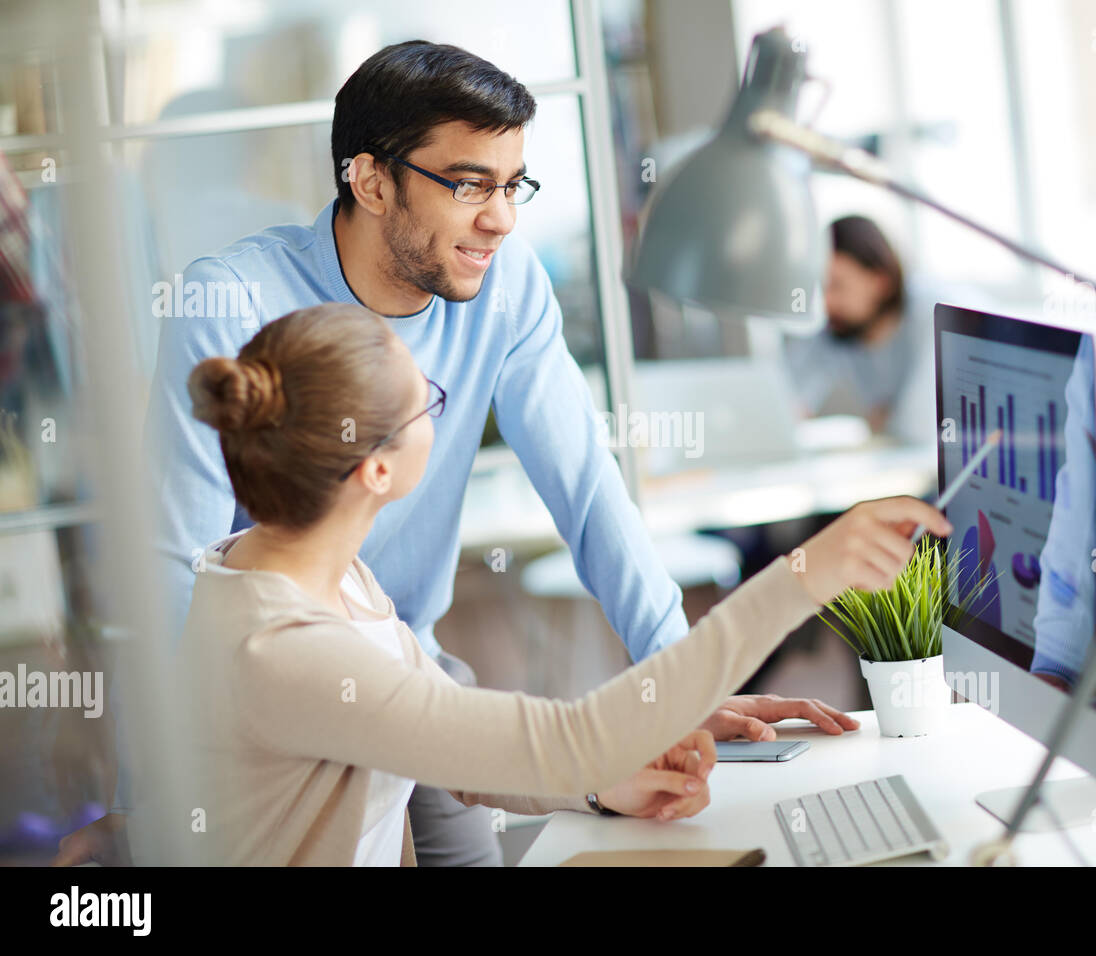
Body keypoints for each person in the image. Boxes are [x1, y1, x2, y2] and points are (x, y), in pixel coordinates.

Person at [55, 41, 866, 867]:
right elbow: (173, 565)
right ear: (370, 181)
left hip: (407, 658)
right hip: (270, 695)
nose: (503, 219)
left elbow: (587, 490)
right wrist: (156, 796)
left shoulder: (504, 287)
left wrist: (680, 681)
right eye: (470, 184)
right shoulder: (231, 302)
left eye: (513, 186)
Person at [170, 303, 952, 865]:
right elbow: (562, 742)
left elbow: (461, 755)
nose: (440, 421)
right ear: (376, 468)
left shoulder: (327, 580)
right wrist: (803, 576)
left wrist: (600, 789)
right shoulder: (281, 647)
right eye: (428, 406)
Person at [784, 215, 929, 440]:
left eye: (837, 286)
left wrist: (888, 418)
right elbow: (787, 400)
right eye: (821, 288)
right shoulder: (838, 328)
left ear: (880, 281)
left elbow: (919, 429)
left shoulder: (932, 316)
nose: (826, 302)